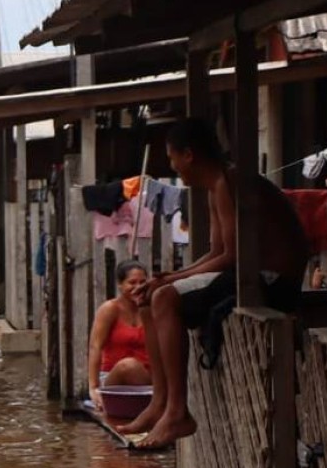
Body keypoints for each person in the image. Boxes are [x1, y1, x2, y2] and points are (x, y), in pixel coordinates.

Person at [117, 118, 308, 449]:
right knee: (152, 297)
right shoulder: (215, 186)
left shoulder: (229, 182)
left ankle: (177, 410)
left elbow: (232, 258)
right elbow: (217, 252)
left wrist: (173, 282)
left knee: (164, 299)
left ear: (188, 155)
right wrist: (171, 277)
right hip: (247, 271)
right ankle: (160, 402)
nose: (173, 166)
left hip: (272, 280)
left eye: (172, 157)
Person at [87, 260, 152, 413]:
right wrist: (93, 387)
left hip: (149, 377)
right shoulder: (110, 309)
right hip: (113, 377)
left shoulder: (151, 308)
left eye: (143, 282)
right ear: (120, 285)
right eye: (132, 282)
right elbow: (95, 347)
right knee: (128, 365)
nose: (138, 287)